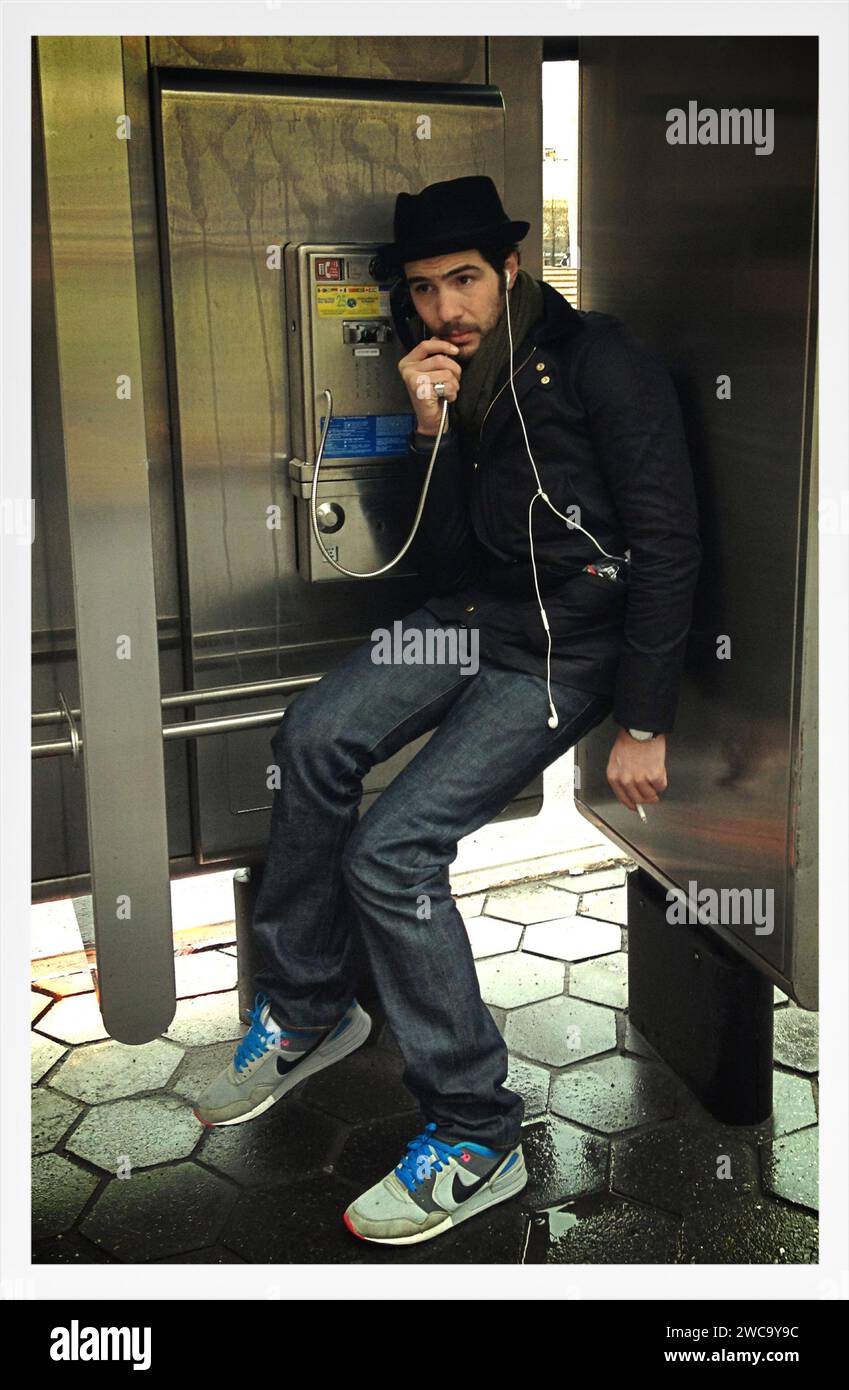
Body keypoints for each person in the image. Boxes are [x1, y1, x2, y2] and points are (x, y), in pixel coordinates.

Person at [193, 175, 703, 1247]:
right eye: (425, 290)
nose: (445, 311)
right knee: (313, 735)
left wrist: (645, 721)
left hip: (567, 645)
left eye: (464, 281)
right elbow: (445, 557)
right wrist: (429, 425)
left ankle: (476, 1128)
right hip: (475, 614)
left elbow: (669, 543)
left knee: (392, 851)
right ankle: (309, 1006)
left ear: (510, 269)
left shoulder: (602, 362)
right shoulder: (454, 375)